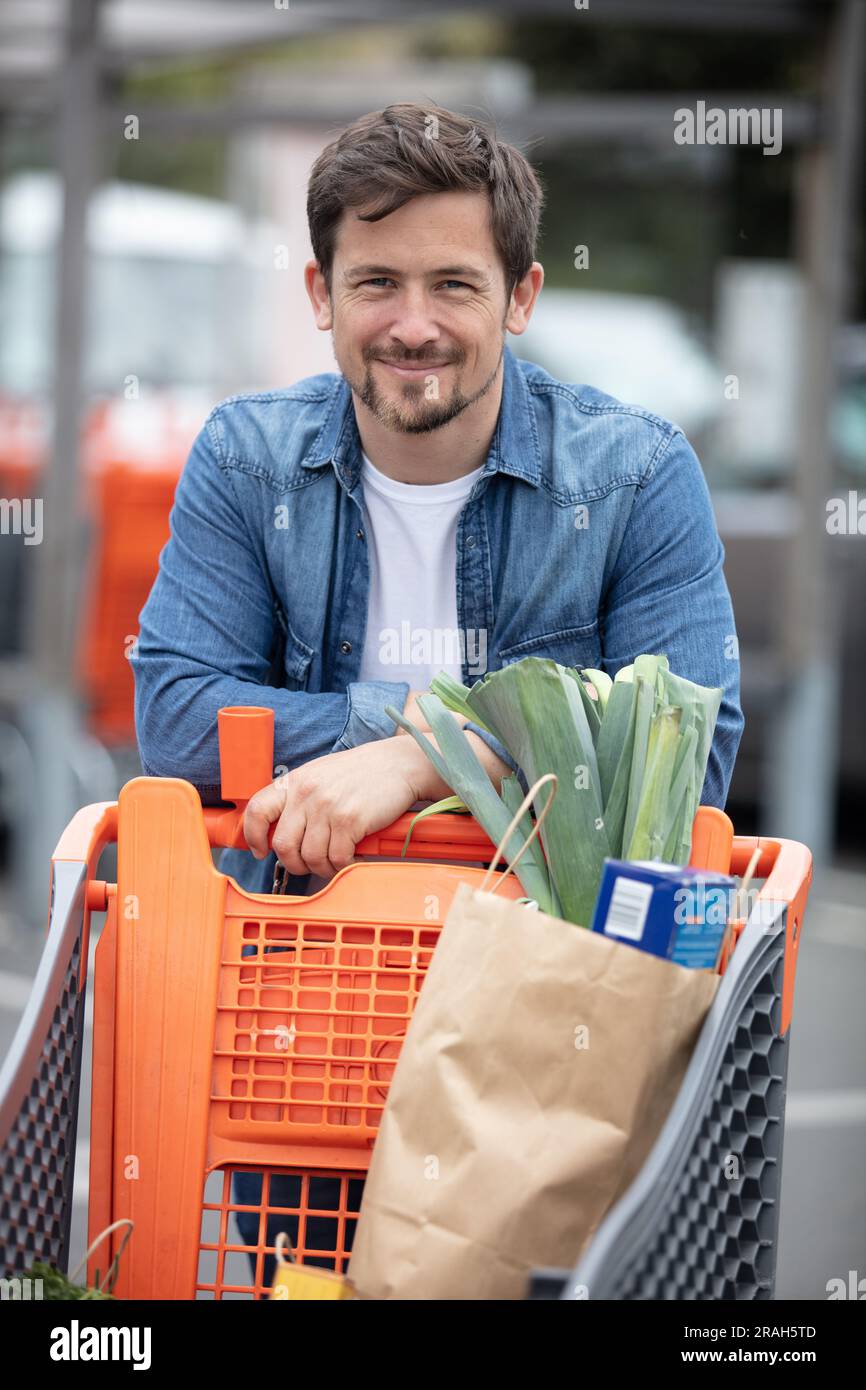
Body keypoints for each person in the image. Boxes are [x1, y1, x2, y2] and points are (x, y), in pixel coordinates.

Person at [133, 102, 744, 1291]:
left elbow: (690, 741)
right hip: (305, 1026)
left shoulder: (631, 473)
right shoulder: (245, 459)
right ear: (319, 292)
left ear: (519, 297)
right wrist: (420, 727)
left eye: (453, 286)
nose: (412, 327)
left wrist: (427, 753)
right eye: (376, 283)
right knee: (301, 1284)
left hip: (556, 1035)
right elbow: (176, 712)